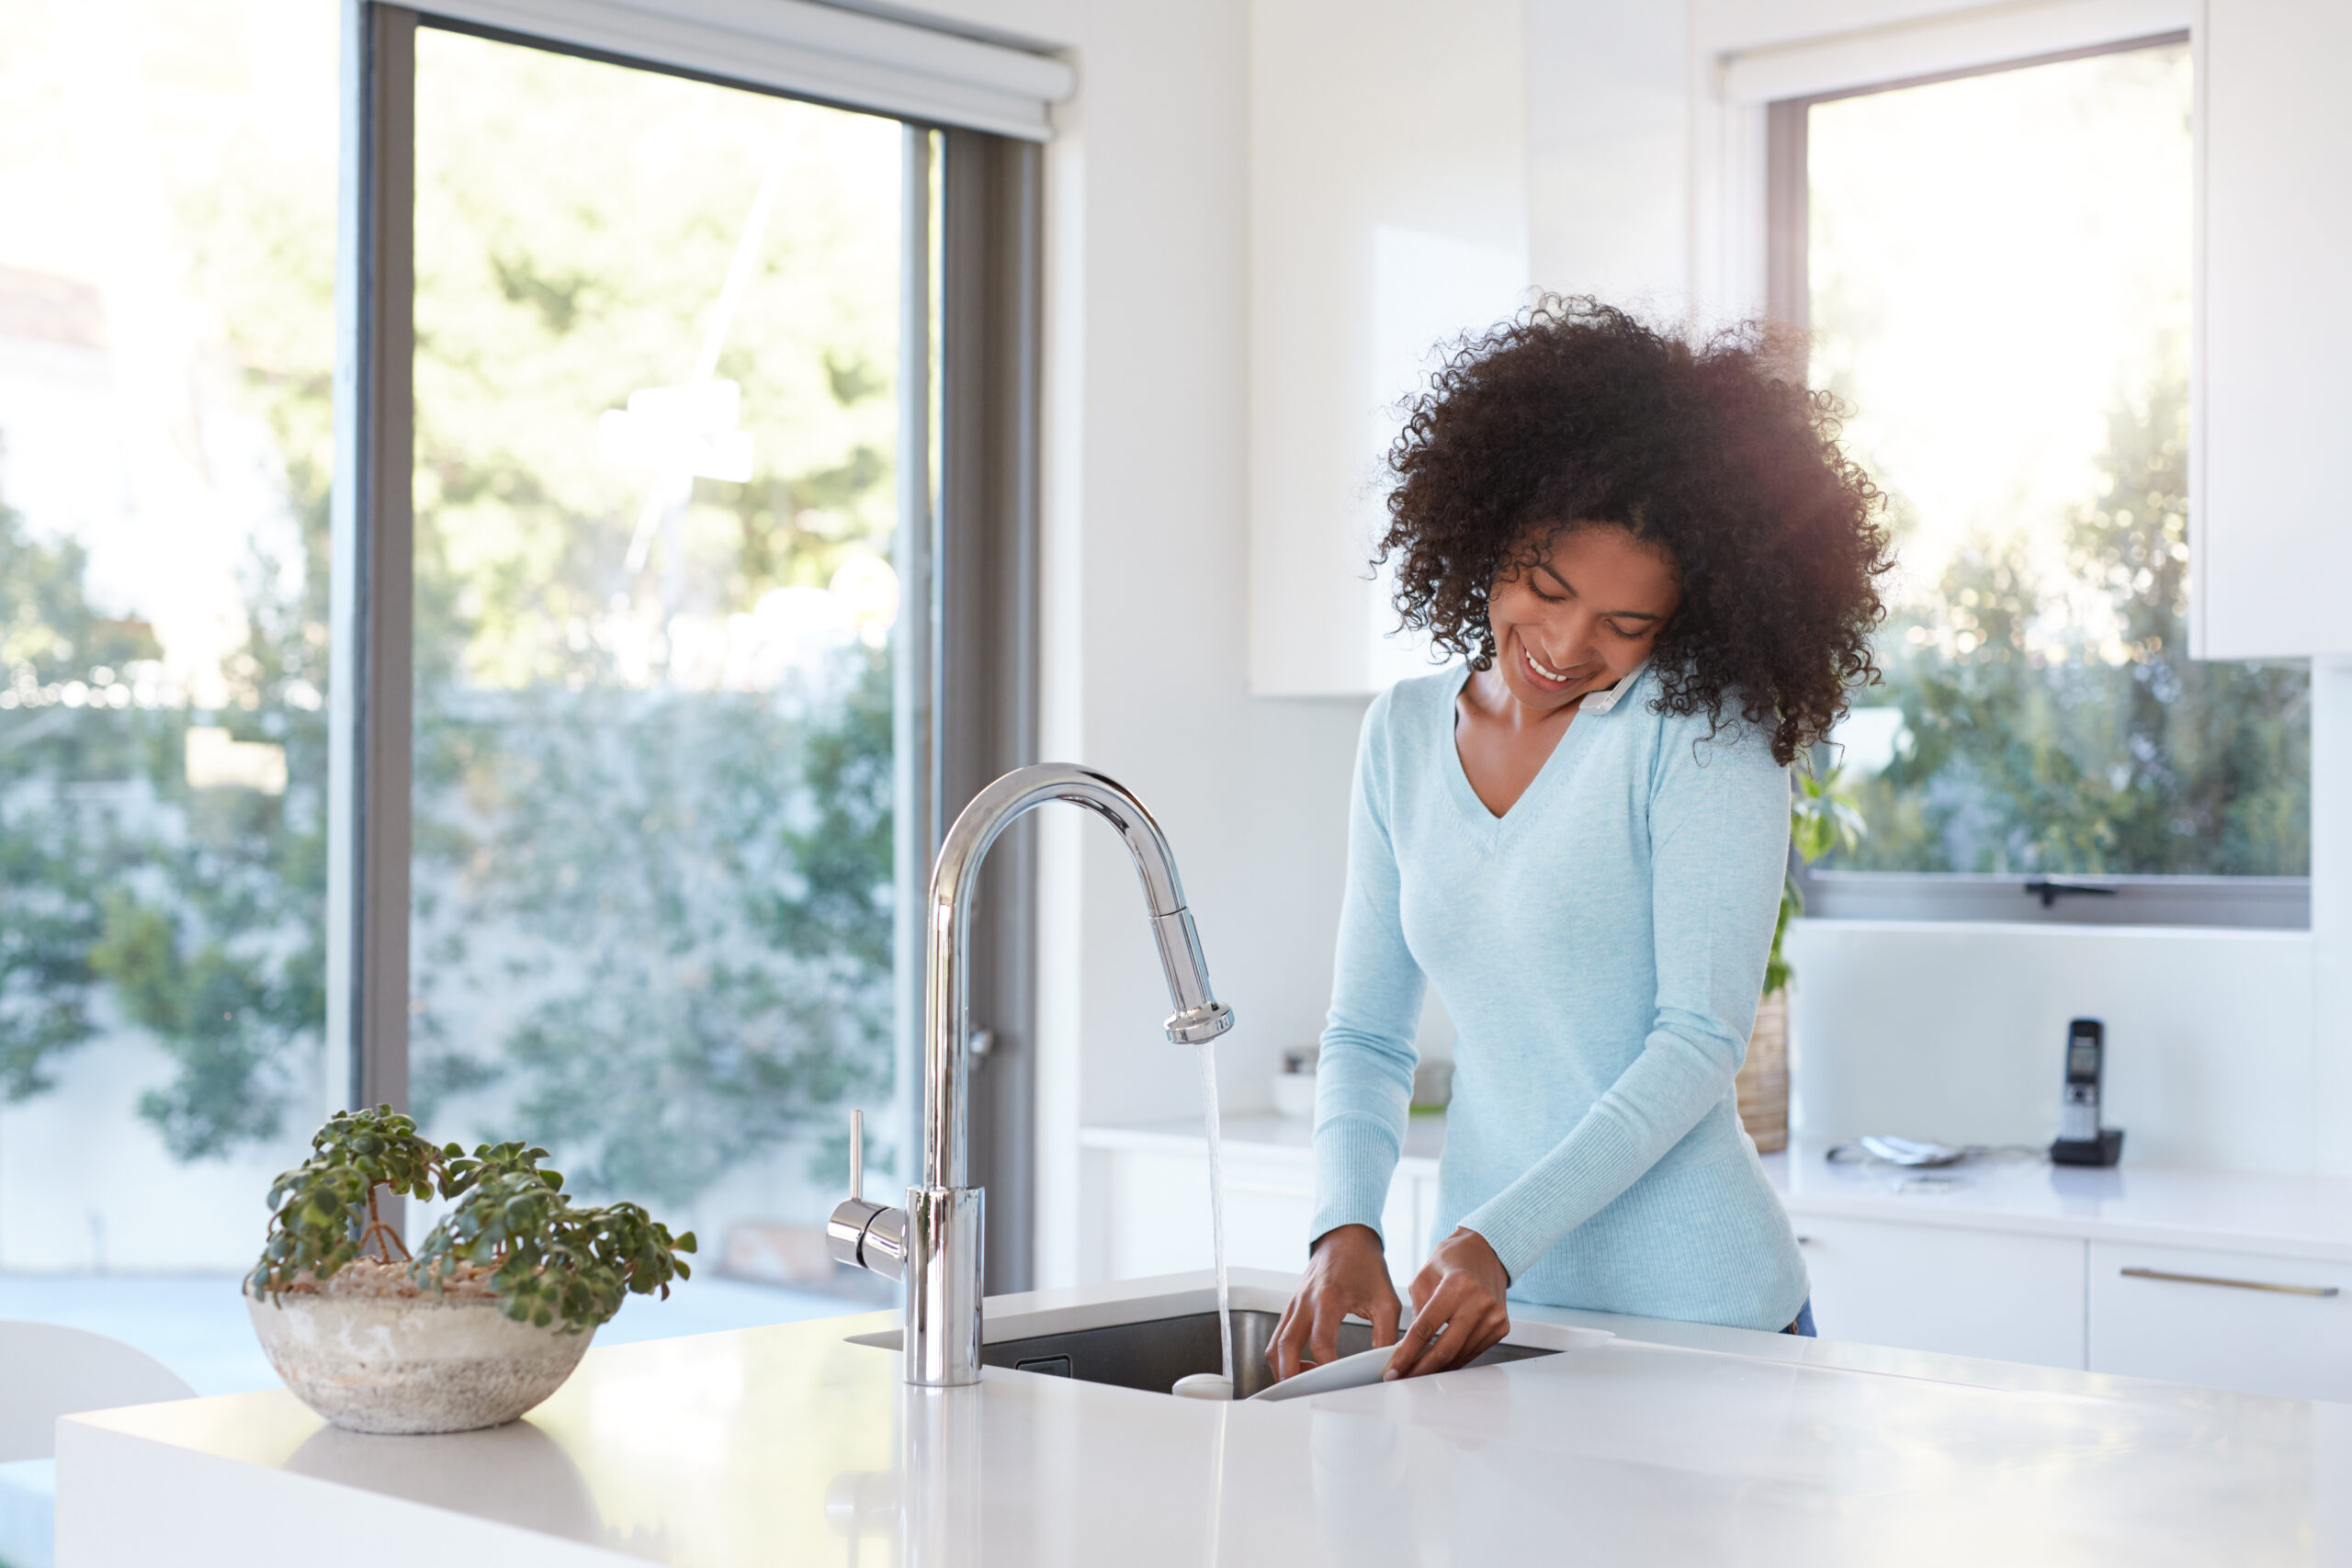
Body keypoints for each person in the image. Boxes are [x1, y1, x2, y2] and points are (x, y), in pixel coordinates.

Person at [1270, 299, 1890, 1382]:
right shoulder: (1403, 733)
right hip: (1493, 1316)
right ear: (1486, 534)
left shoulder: (1703, 734)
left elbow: (1696, 1042)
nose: (1562, 644)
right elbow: (1366, 1032)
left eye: (1625, 625)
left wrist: (1495, 1239)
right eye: (1543, 588)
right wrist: (1344, 1225)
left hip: (1703, 1323)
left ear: (1688, 619)